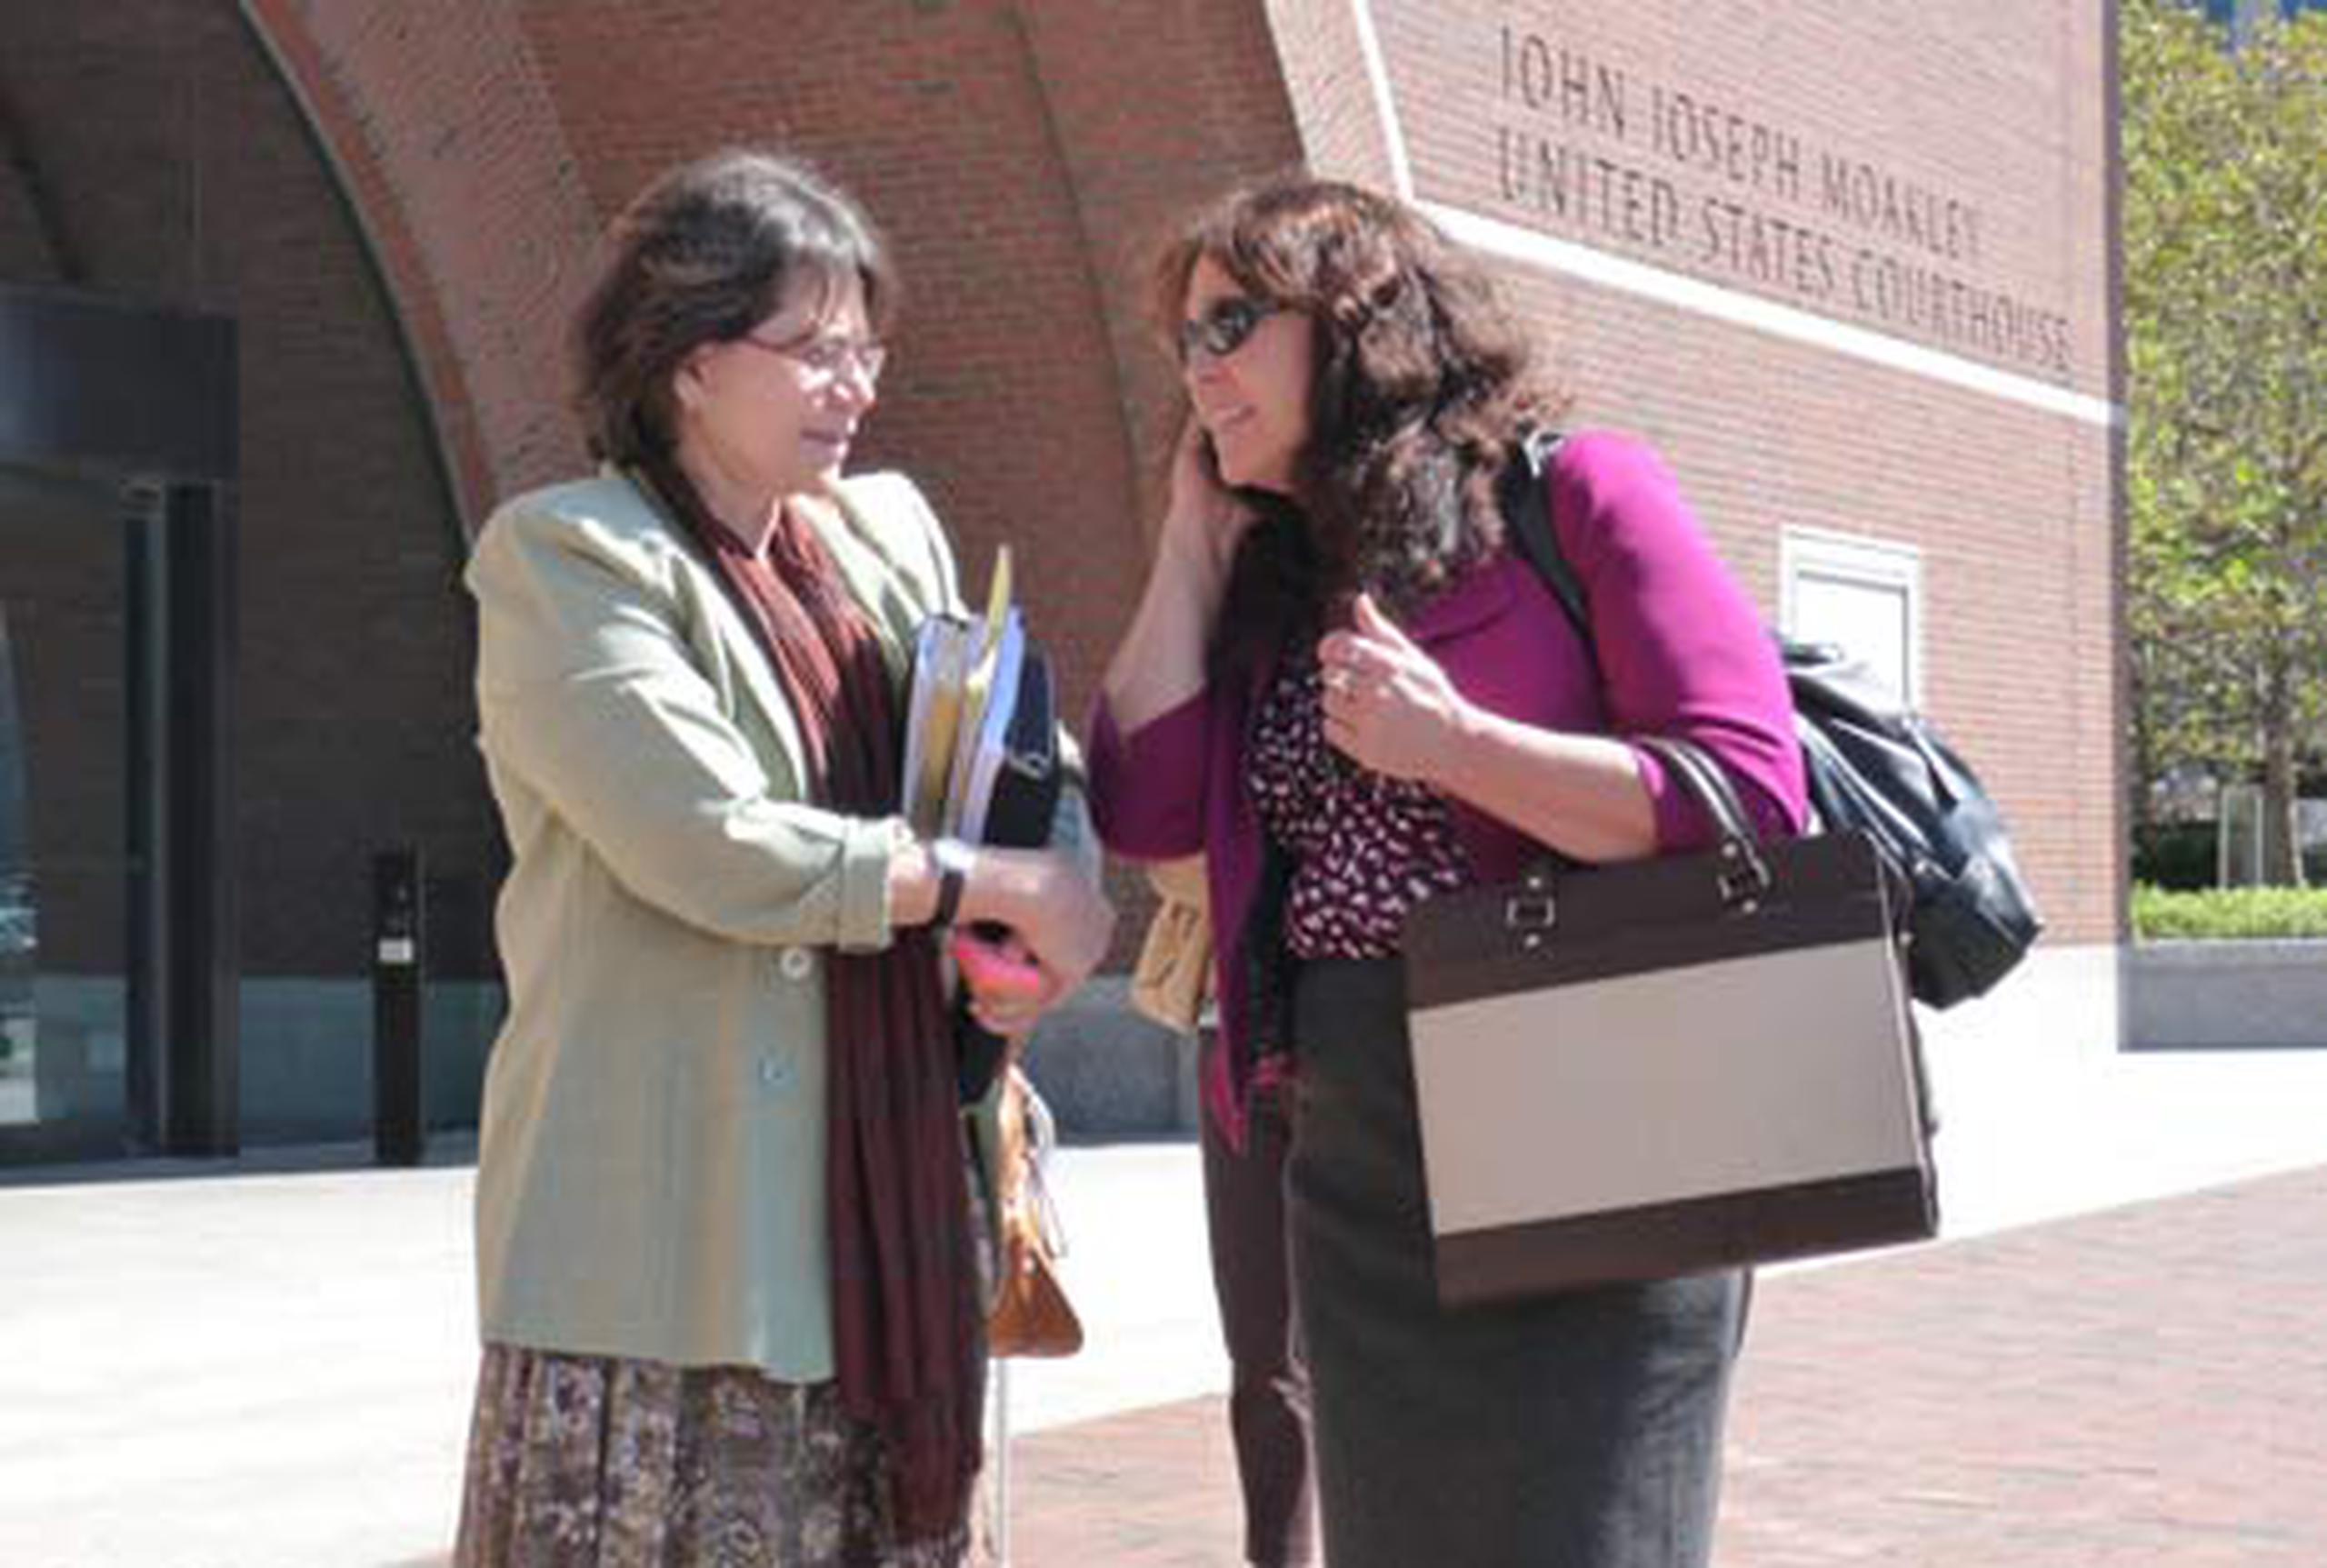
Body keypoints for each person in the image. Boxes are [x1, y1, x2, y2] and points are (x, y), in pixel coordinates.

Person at [1086, 175, 1807, 1568]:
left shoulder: (1573, 492)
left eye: (1233, 324)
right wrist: (1189, 541)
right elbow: (1145, 805)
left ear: (1358, 323)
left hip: (1595, 1096)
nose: (1200, 368)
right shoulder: (1276, 571)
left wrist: (1457, 748)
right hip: (1355, 1127)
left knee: (1595, 1539)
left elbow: (1750, 798)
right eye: (1183, 340)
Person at [453, 148, 1113, 1567]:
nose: (854, 385)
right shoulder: (568, 561)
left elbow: (1020, 754)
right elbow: (710, 840)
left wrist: (1033, 932)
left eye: (867, 347)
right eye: (812, 348)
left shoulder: (882, 536)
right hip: (667, 1250)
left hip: (888, 1227)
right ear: (689, 360)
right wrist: (980, 885)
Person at [1130, 859, 1314, 1568]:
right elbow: (1164, 855)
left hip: (1377, 1021)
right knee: (1263, 1354)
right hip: (1239, 1030)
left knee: (1392, 1344)